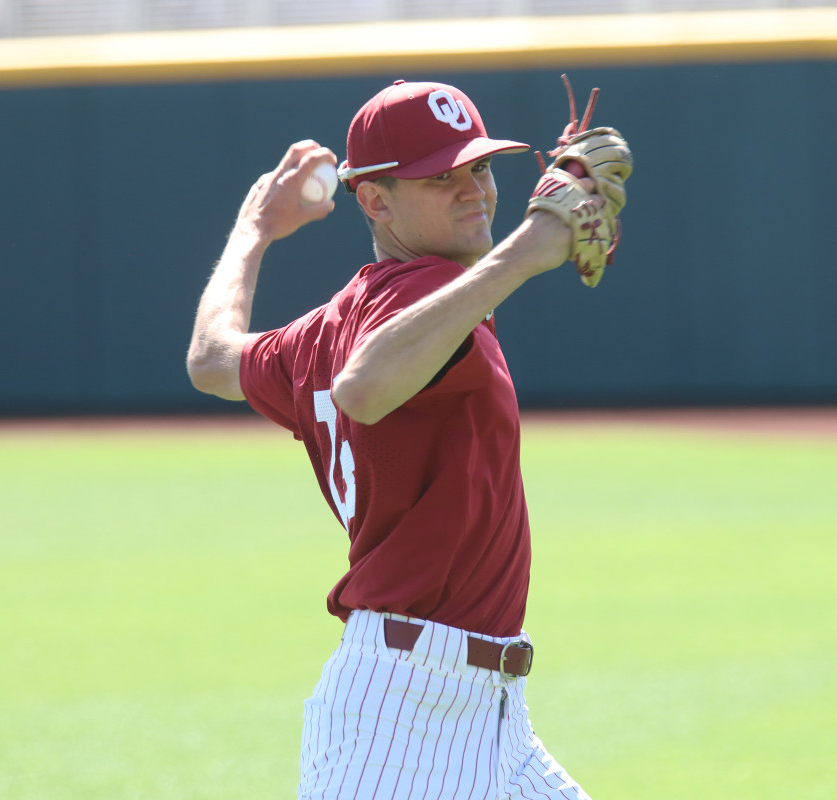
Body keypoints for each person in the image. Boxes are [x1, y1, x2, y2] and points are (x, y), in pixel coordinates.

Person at [187, 79, 605, 800]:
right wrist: (529, 250)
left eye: (480, 167)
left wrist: (254, 230)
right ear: (375, 200)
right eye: (440, 177)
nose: (473, 189)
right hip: (410, 720)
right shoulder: (418, 296)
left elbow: (212, 359)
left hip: (473, 710)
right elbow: (365, 386)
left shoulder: (327, 328)